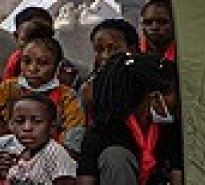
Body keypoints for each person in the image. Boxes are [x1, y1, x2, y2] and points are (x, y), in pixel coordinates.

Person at [77, 53, 181, 185]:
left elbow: (178, 176)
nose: (177, 99)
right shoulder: (104, 132)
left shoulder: (172, 130)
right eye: (170, 92)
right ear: (154, 97)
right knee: (115, 157)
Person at [0, 37, 84, 137]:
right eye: (26, 61)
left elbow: (73, 136)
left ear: (58, 66)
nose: (32, 69)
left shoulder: (67, 97)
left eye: (43, 63)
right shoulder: (7, 88)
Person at [0, 94, 77, 185]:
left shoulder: (56, 154)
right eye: (19, 121)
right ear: (11, 125)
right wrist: (2, 173)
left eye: (37, 121)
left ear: (52, 127)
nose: (27, 128)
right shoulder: (13, 150)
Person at [78, 19, 139, 126]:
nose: (105, 56)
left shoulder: (146, 80)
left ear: (132, 49)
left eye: (113, 48)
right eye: (99, 50)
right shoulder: (89, 89)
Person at [3, 7, 54, 81]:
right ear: (16, 36)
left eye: (41, 38)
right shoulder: (14, 63)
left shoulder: (62, 70)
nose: (34, 46)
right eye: (29, 39)